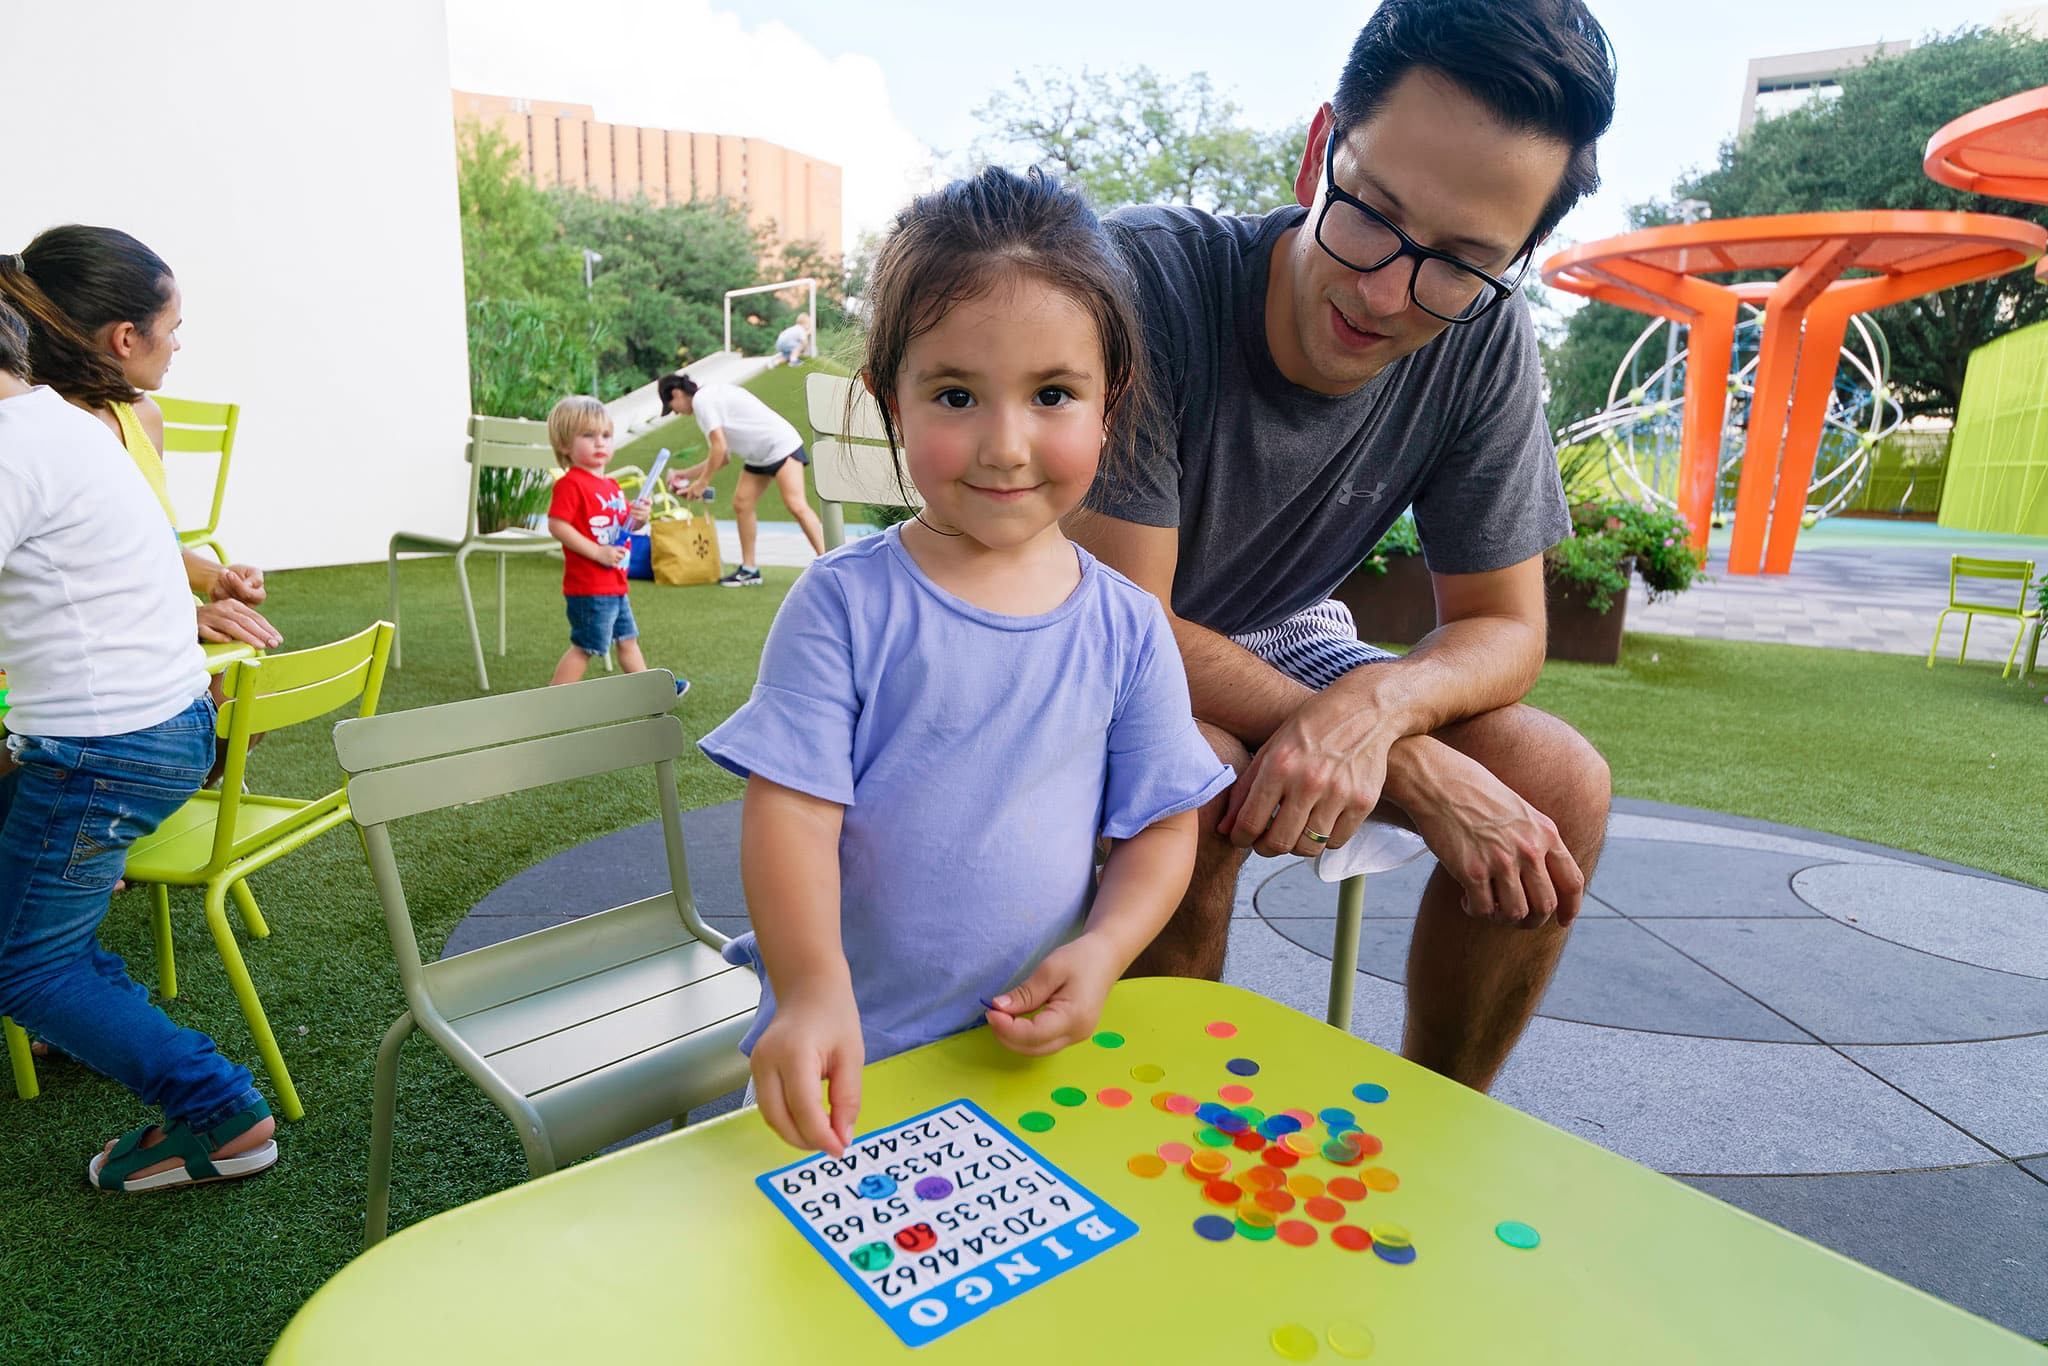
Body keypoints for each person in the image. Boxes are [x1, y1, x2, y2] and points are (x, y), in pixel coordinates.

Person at [1067, 0, 1619, 1092]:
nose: (1384, 293)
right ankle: (1146, 1133)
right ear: (1320, 146)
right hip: (1061, 628)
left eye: (1461, 262)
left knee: (1556, 782)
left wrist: (1372, 713)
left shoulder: (1481, 340)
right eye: (1369, 213)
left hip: (1278, 631)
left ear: (1516, 257)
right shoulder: (1135, 281)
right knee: (1196, 774)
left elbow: (1505, 625)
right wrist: (1412, 767)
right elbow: (1118, 621)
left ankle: (1440, 1119)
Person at [699, 167, 1232, 1156]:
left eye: (1051, 394)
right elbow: (790, 815)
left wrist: (1106, 949)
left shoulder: (1126, 626)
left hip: (1025, 1061)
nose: (1004, 443)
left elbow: (1163, 824)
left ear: (1108, 405)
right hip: (849, 1062)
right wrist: (812, 988)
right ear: (888, 403)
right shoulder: (844, 603)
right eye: (955, 394)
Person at [0, 296, 277, 1190]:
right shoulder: (67, 420)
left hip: (101, 750)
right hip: (166, 726)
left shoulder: (12, 447)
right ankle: (77, 1012)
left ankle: (219, 1112)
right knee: (37, 922)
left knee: (20, 963)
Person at [0, 227, 279, 654]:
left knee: (245, 682)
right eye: (172, 329)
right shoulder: (30, 439)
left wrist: (213, 577)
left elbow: (150, 545)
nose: (177, 345)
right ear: (126, 338)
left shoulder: (140, 417)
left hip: (151, 638)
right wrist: (185, 619)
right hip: (82, 656)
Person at [542, 396, 676, 692]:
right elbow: (557, 524)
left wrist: (640, 517)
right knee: (585, 647)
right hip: (589, 585)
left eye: (605, 435)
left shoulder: (611, 486)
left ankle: (649, 693)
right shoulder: (571, 484)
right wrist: (597, 552)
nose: (600, 443)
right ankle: (551, 701)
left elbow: (626, 526)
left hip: (614, 583)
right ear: (565, 445)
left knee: (628, 640)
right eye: (588, 436)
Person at [659, 373, 826, 586]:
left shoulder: (703, 400)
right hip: (759, 456)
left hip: (781, 446)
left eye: (672, 407)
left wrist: (702, 483)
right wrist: (684, 475)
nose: (676, 412)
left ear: (676, 393)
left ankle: (829, 562)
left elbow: (719, 448)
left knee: (796, 505)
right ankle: (749, 569)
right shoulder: (709, 397)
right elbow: (722, 457)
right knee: (742, 504)